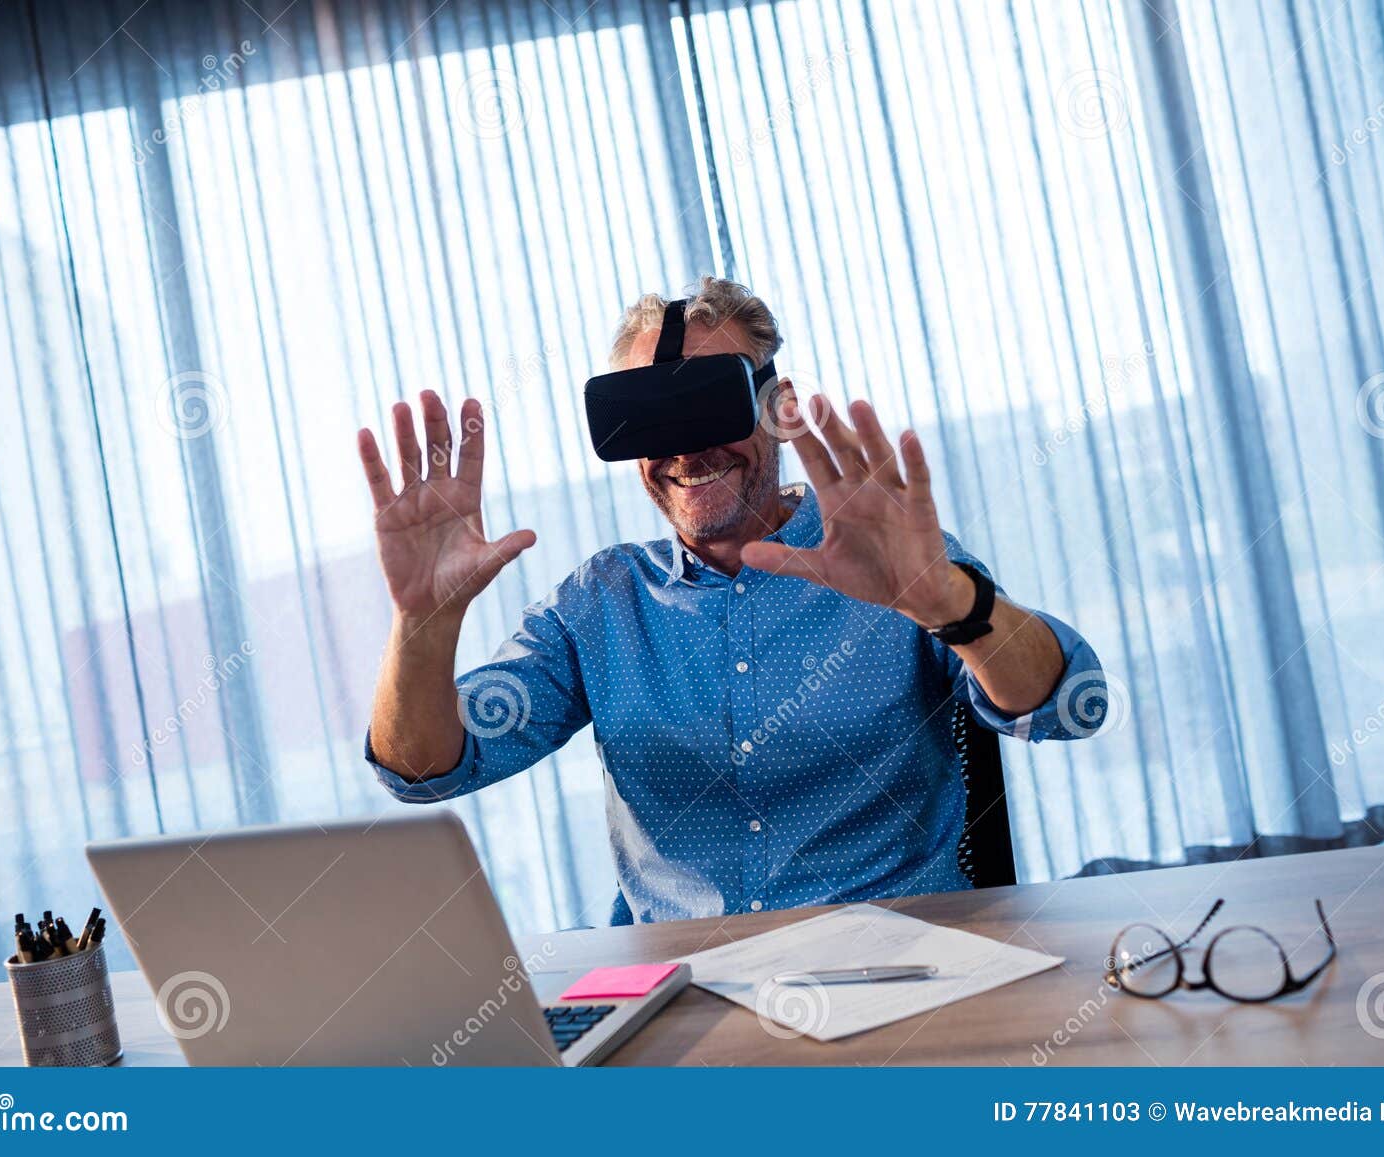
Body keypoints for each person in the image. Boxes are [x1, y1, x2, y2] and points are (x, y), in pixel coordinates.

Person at [357, 277, 1106, 923]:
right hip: (688, 998)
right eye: (655, 419)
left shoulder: (890, 559)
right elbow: (422, 768)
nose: (687, 450)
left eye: (710, 405)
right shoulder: (599, 606)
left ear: (779, 408)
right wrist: (422, 623)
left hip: (903, 970)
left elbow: (1072, 705)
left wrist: (951, 605)